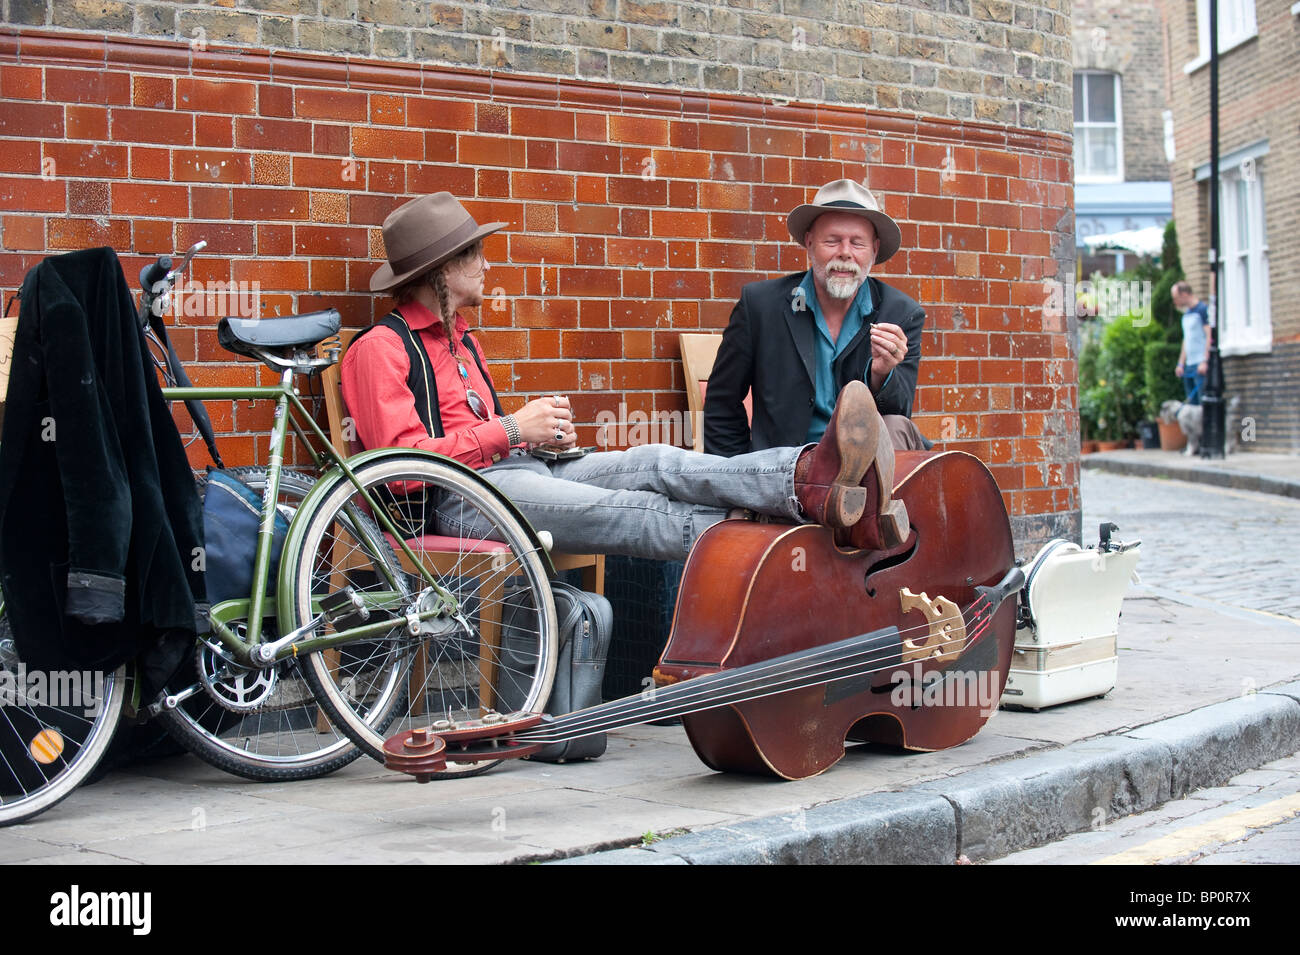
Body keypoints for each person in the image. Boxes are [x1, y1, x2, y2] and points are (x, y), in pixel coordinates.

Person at [341, 192, 905, 562]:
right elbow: (399, 470)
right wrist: (511, 430)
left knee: (658, 460)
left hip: (520, 470)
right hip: (455, 501)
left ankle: (812, 478)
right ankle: (777, 536)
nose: (487, 265)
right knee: (630, 512)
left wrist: (536, 435)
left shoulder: (461, 338)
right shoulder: (380, 349)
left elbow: (486, 434)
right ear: (442, 269)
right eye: (475, 256)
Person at [1172, 281, 1210, 405]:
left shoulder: (1202, 311)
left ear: (1184, 294)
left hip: (1200, 365)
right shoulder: (1186, 315)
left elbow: (1210, 336)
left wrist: (1205, 361)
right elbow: (1186, 340)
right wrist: (1181, 363)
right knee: (1191, 406)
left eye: (1176, 298)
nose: (1175, 302)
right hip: (1189, 365)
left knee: (1201, 406)